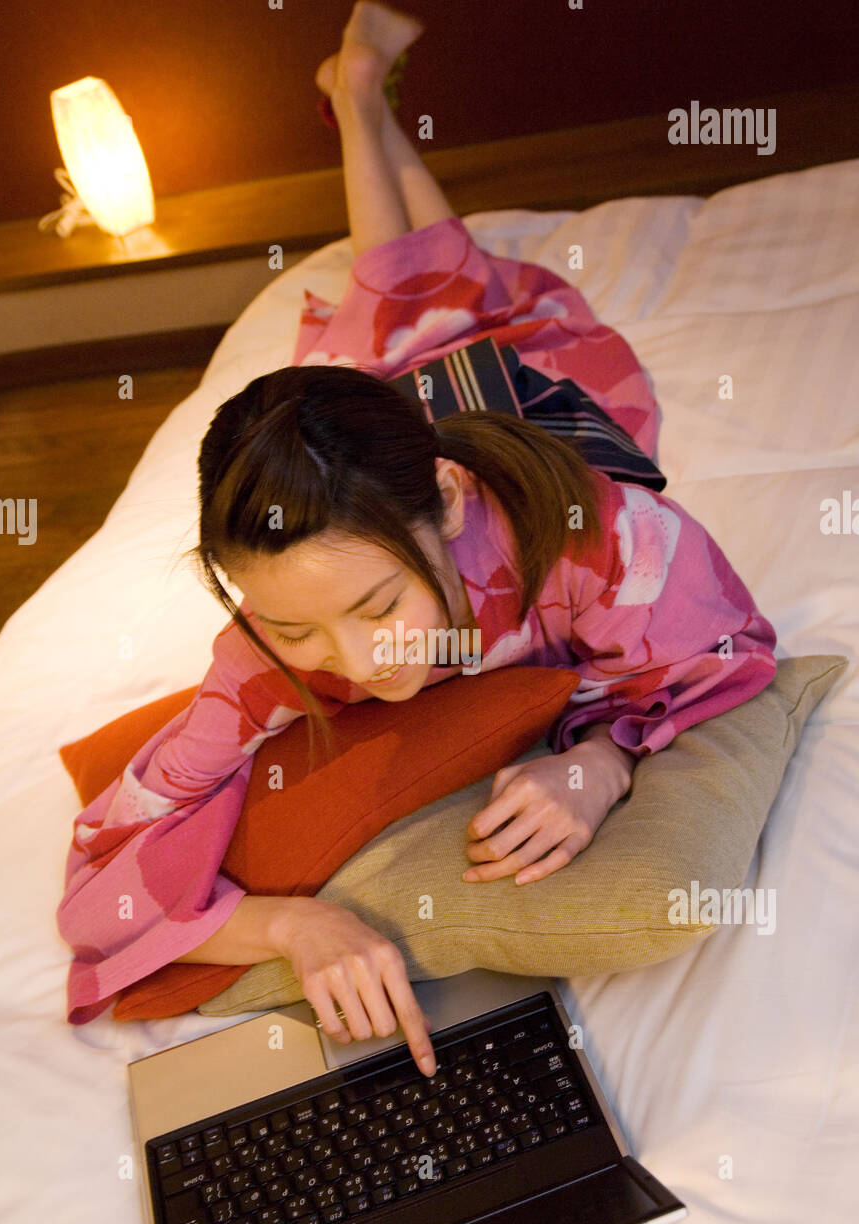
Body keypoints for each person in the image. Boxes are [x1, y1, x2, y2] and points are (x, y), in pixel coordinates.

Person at [56, 2, 777, 1078]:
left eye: (377, 608)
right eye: (296, 624)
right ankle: (356, 96)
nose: (354, 665)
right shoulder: (260, 658)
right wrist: (291, 928)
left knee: (438, 303)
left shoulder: (594, 537)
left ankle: (355, 98)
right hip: (380, 435)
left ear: (443, 498)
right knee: (406, 296)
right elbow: (102, 885)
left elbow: (719, 652)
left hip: (512, 411)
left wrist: (598, 763)